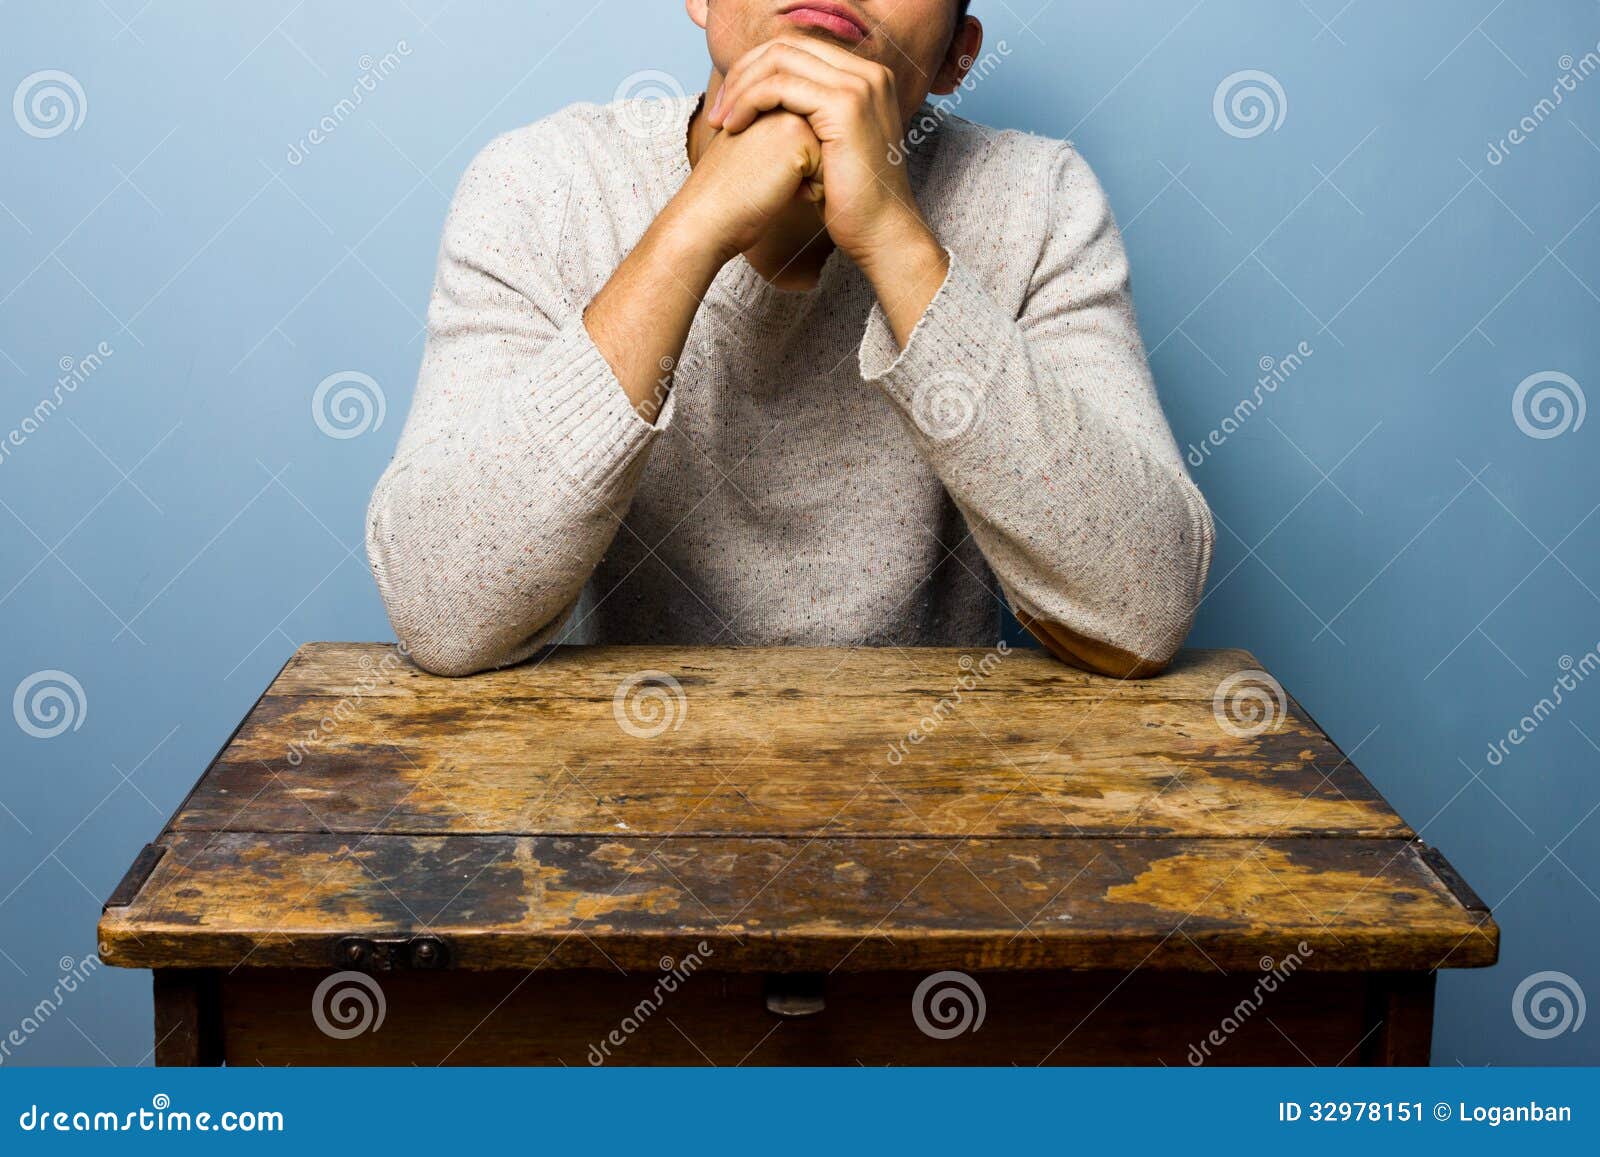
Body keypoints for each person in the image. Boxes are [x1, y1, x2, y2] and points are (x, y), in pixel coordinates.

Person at [366, 0, 1214, 679]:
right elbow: (445, 609)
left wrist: (894, 239)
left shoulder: (1035, 200)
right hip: (623, 808)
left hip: (942, 810)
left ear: (959, 55)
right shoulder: (540, 189)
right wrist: (693, 226)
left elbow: (1140, 608)